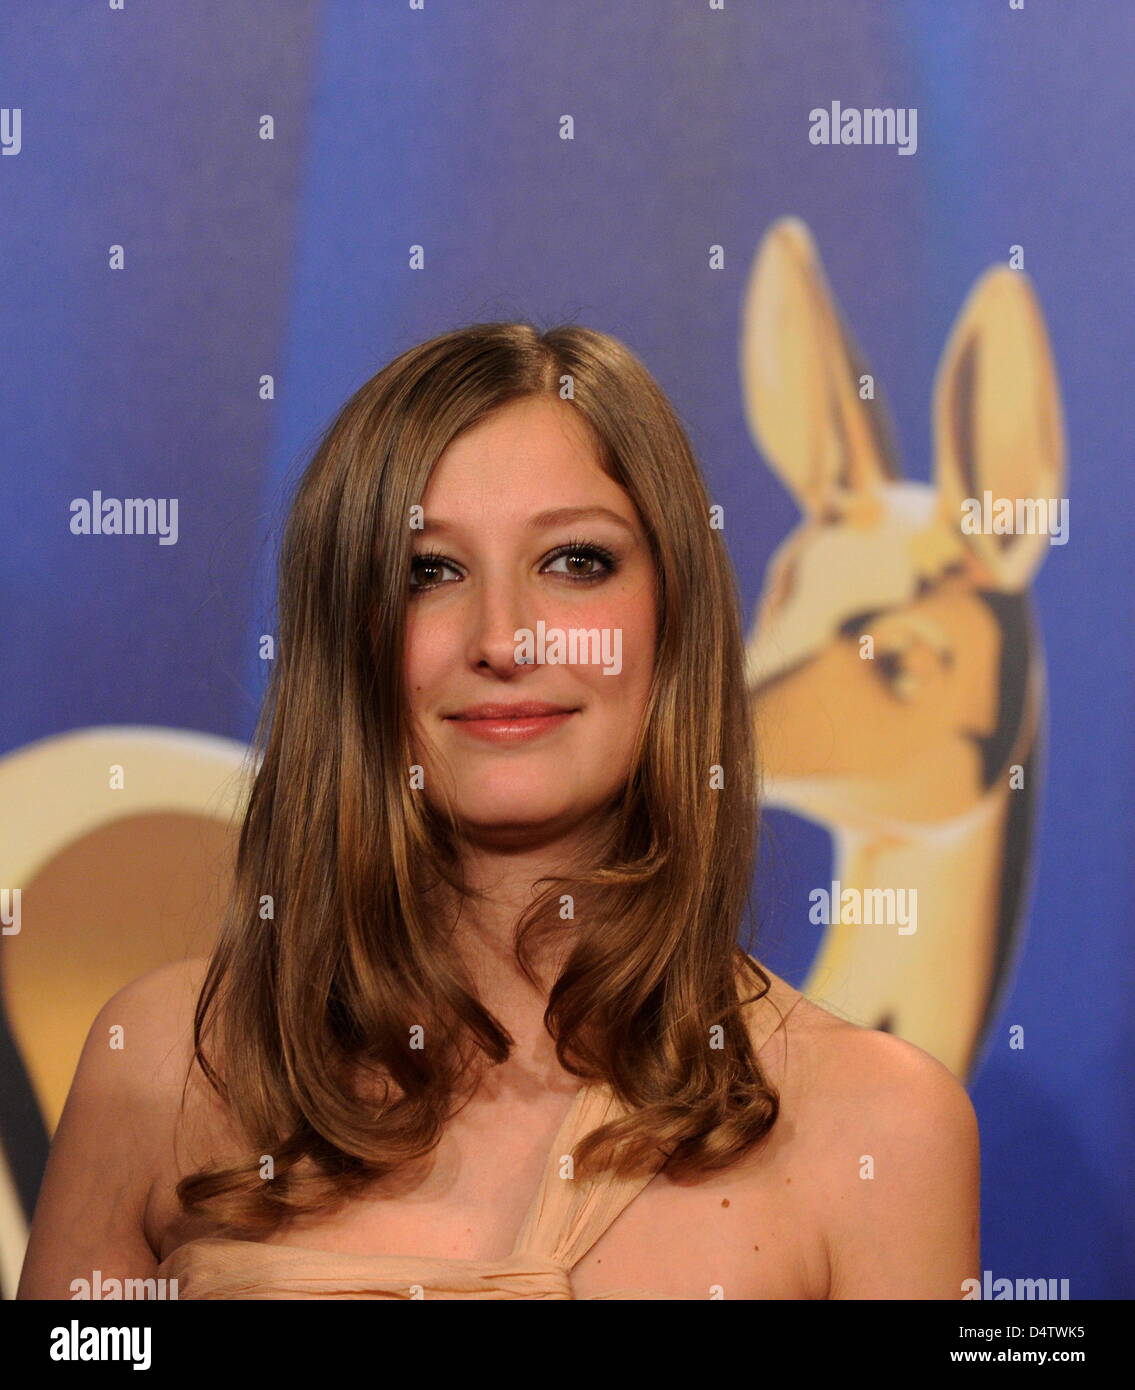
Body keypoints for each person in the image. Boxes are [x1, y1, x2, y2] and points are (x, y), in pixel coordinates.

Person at [18, 323, 979, 1300]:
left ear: (674, 615)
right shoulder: (168, 1061)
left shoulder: (876, 1124)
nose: (503, 638)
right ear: (348, 640)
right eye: (427, 571)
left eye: (573, 560)